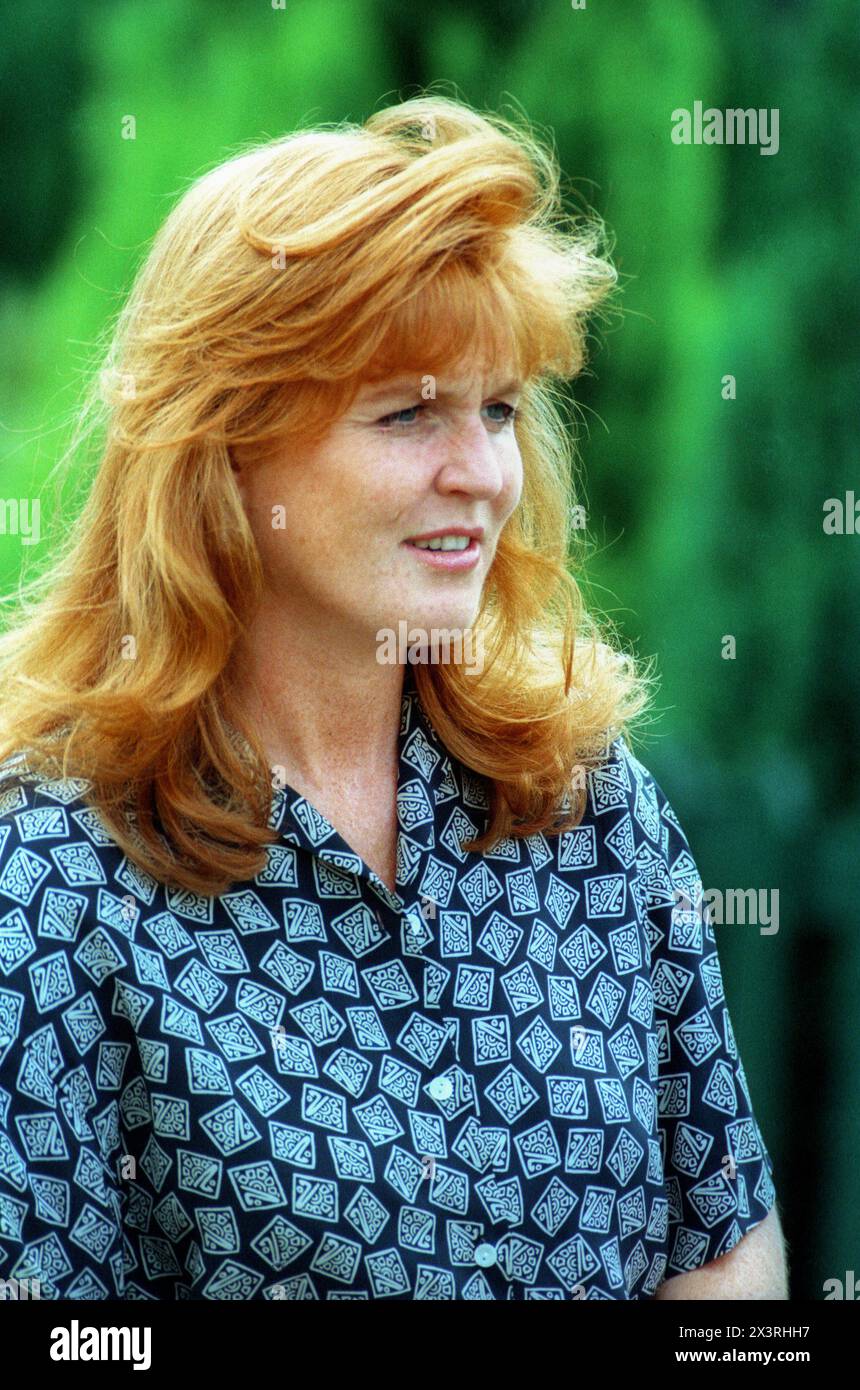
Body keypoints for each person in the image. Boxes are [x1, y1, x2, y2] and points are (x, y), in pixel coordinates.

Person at [0, 93, 786, 1300]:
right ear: (223, 446)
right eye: (408, 411)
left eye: (499, 409)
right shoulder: (56, 874)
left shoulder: (584, 804)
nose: (479, 474)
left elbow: (723, 1243)